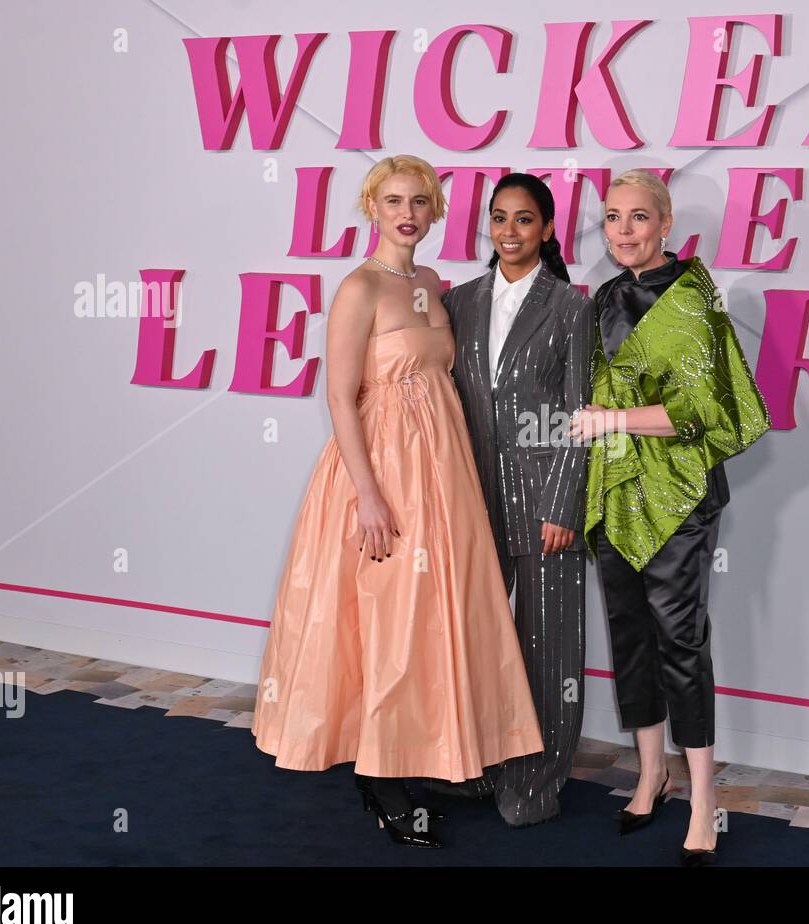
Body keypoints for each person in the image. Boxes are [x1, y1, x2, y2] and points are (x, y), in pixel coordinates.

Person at [251, 155, 544, 848]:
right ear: (371, 209)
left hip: (441, 468)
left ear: (435, 209)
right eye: (393, 201)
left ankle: (421, 755)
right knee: (384, 619)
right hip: (380, 471)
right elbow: (340, 398)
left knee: (427, 619)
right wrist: (368, 495)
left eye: (419, 201)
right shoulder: (358, 288)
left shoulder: (433, 283)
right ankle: (379, 780)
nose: (407, 212)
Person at [570, 169, 771, 865]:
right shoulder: (603, 297)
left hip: (676, 495)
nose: (624, 231)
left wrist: (612, 419)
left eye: (638, 218)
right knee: (628, 633)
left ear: (665, 224)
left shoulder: (690, 298)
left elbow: (704, 414)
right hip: (615, 489)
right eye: (613, 219)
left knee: (681, 644)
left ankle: (705, 799)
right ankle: (651, 773)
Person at [434, 173, 596, 827]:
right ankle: (479, 767)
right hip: (471, 495)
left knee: (547, 643)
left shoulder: (571, 307)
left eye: (524, 219)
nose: (509, 231)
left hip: (545, 499)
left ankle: (535, 782)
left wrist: (563, 501)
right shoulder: (458, 301)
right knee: (476, 637)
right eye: (499, 218)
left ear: (548, 229)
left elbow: (581, 412)